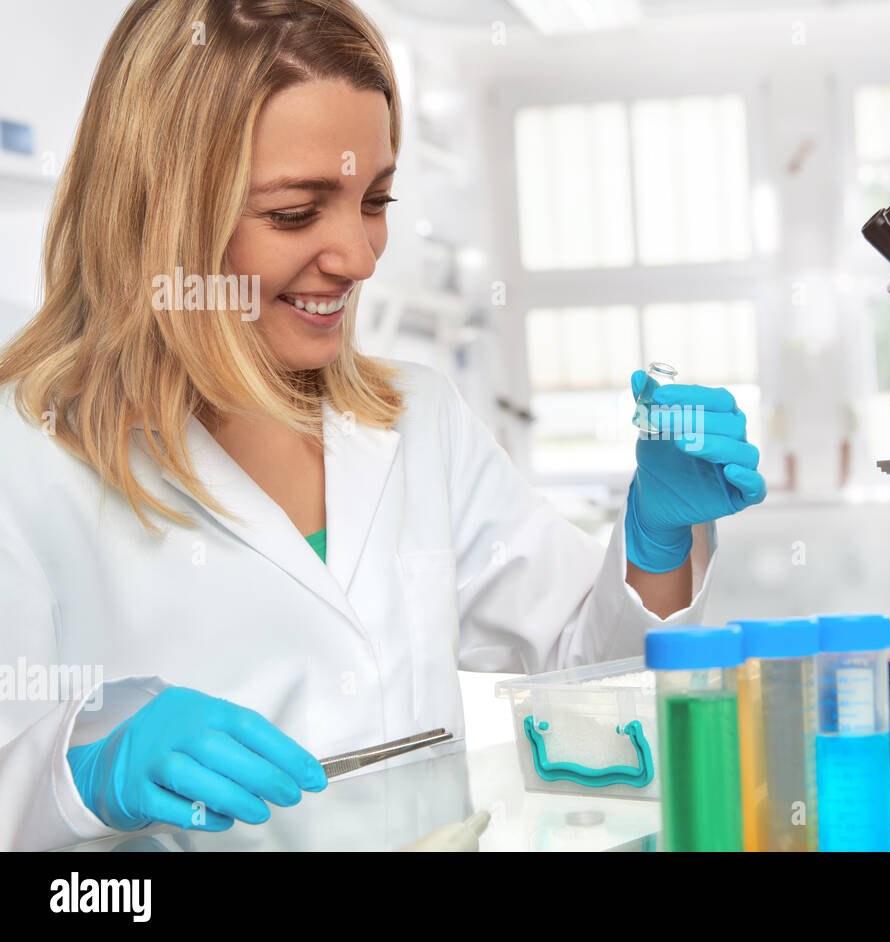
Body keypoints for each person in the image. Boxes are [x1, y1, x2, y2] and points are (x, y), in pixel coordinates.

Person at [0, 0, 765, 852]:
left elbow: (588, 684)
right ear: (159, 212)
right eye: (296, 211)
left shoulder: (416, 419)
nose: (361, 256)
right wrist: (81, 776)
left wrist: (653, 543)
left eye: (375, 198)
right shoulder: (25, 461)